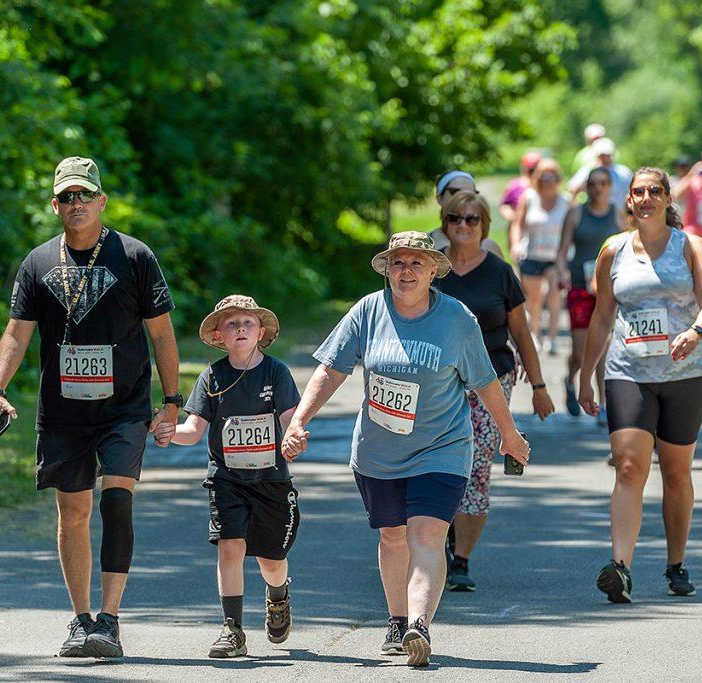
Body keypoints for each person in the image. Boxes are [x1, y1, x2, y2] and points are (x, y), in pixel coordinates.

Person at [280, 232, 530, 667]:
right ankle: (397, 621)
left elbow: (485, 381)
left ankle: (419, 625)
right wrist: (300, 420)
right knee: (392, 536)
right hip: (378, 453)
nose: (407, 271)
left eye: (417, 262)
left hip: (443, 447)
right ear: (387, 270)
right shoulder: (367, 311)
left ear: (434, 271)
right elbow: (330, 371)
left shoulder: (457, 319)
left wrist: (509, 434)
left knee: (427, 533)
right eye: (398, 263)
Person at [0, 156, 180, 658]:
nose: (76, 204)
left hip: (124, 406)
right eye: (67, 196)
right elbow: (16, 332)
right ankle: (81, 620)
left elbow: (161, 333)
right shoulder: (37, 263)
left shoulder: (134, 257)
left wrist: (172, 401)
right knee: (72, 512)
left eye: (84, 195)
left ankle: (110, 621)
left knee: (116, 501)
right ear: (55, 204)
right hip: (63, 411)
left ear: (102, 201)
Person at [578, 167, 702, 604]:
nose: (645, 198)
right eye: (638, 192)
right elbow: (602, 316)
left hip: (686, 374)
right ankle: (619, 568)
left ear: (667, 198)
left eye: (654, 191)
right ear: (629, 201)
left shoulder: (691, 246)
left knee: (676, 473)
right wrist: (585, 375)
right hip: (628, 372)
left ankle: (676, 563)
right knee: (627, 466)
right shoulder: (613, 250)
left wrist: (694, 332)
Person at [155, 296, 301, 658]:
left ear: (260, 332)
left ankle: (278, 595)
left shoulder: (276, 372)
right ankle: (232, 629)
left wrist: (295, 436)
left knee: (270, 559)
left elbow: (289, 419)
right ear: (218, 335)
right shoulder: (212, 376)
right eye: (231, 324)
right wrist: (168, 432)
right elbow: (193, 429)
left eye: (247, 323)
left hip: (271, 480)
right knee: (230, 547)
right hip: (226, 479)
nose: (240, 329)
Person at [435, 191, 555, 592]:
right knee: (436, 463)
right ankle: (435, 542)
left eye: (472, 219)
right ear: (445, 222)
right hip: (438, 382)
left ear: (484, 225)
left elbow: (521, 332)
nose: (464, 226)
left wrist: (538, 386)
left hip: (491, 381)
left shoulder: (500, 272)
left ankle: (461, 559)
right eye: (456, 218)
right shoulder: (430, 271)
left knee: (476, 469)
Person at [556, 167, 621, 421]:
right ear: (586, 187)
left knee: (604, 347)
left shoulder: (617, 214)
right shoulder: (575, 214)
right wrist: (562, 273)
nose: (598, 188)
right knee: (582, 350)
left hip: (607, 289)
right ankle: (570, 379)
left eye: (603, 183)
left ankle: (603, 405)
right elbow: (562, 252)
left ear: (610, 187)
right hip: (580, 288)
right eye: (593, 183)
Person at [509, 158, 571, 354]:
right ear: (537, 177)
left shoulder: (567, 201)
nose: (548, 180)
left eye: (552, 176)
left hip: (557, 257)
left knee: (555, 296)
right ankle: (535, 334)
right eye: (544, 176)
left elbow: (573, 228)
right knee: (534, 299)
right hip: (532, 254)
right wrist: (516, 244)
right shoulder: (529, 197)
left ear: (558, 178)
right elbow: (517, 224)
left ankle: (552, 339)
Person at [428, 170, 502, 257]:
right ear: (439, 198)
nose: (462, 197)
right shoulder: (423, 246)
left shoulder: (489, 248)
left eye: (469, 193)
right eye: (455, 192)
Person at [568, 137, 632, 210]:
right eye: (602, 155)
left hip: (618, 214)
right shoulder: (587, 170)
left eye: (608, 155)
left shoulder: (623, 172)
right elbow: (572, 189)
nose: (605, 158)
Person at [499, 151, 542, 224]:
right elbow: (504, 205)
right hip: (519, 225)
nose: (532, 172)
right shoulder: (515, 185)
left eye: (534, 169)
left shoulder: (545, 184)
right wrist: (513, 217)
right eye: (530, 169)